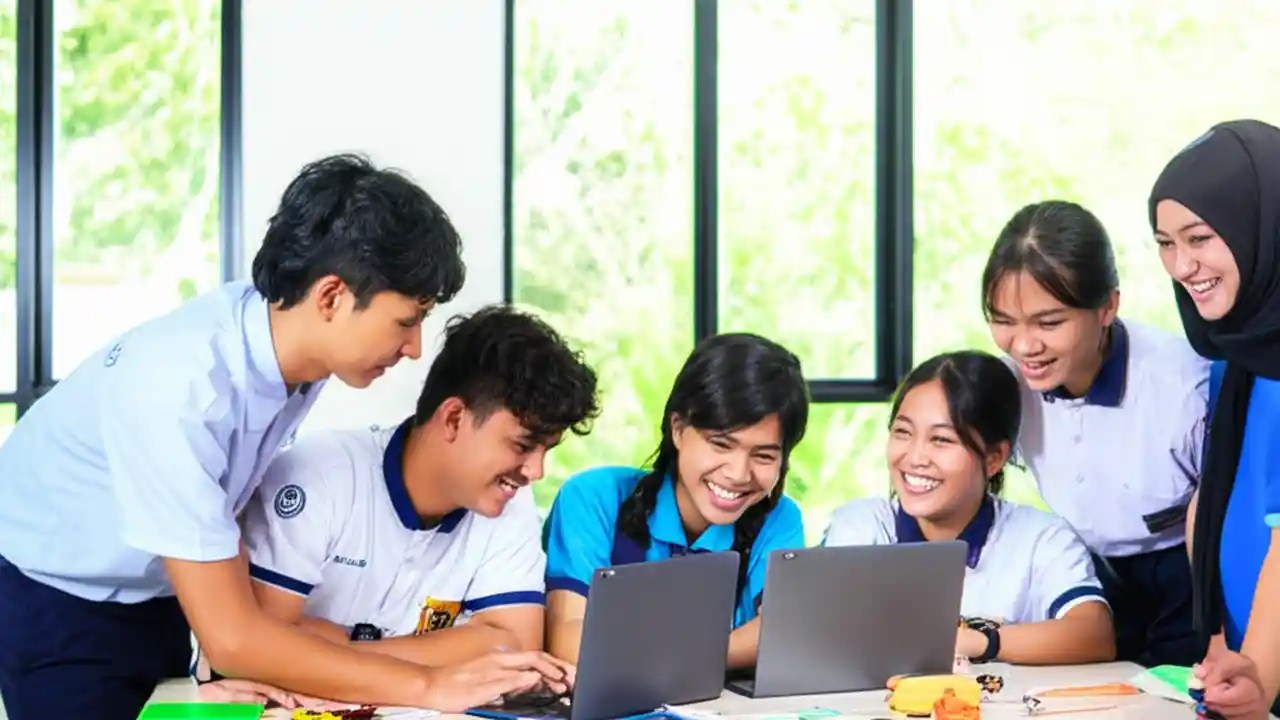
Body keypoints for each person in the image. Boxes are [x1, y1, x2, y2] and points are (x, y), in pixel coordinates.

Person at [0, 155, 566, 720]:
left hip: (157, 596)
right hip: (61, 601)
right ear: (331, 297)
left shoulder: (287, 357)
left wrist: (256, 657)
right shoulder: (183, 389)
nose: (416, 347)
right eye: (405, 321)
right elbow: (234, 640)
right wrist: (427, 687)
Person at [196, 305, 599, 703]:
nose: (536, 471)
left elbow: (512, 649)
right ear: (454, 418)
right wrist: (448, 657)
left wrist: (336, 648)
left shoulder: (509, 505)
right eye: (523, 445)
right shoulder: (316, 475)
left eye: (546, 450)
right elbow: (260, 652)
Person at [980, 199, 1209, 667]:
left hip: (1190, 574)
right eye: (1003, 321)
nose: (1024, 346)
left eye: (1049, 323)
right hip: (1088, 575)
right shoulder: (1007, 387)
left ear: (1107, 307)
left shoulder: (1183, 384)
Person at [823, 350, 1114, 666]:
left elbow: (1094, 635)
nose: (915, 457)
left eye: (942, 440)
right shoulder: (858, 527)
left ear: (994, 458)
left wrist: (978, 641)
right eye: (903, 432)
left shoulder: (1041, 538)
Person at [543, 333, 809, 670]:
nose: (739, 473)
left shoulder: (778, 518)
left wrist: (673, 659)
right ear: (678, 429)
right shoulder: (595, 498)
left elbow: (784, 632)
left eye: (764, 455)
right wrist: (704, 657)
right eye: (721, 445)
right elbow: (567, 642)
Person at [1150, 118, 1280, 720]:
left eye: (1199, 237)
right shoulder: (1233, 354)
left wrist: (1258, 679)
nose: (1181, 265)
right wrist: (1222, 657)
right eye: (1166, 243)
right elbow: (1217, 501)